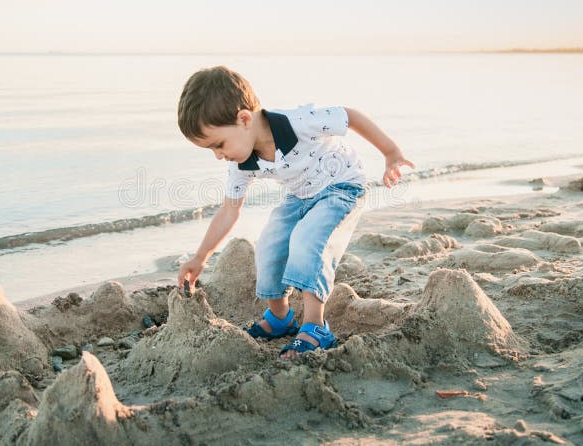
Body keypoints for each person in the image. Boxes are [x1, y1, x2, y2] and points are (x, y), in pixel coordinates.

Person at [176, 66, 414, 359]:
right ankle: (280, 318)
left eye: (219, 144)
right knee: (269, 245)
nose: (218, 155)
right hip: (300, 196)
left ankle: (316, 326)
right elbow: (229, 210)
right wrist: (200, 257)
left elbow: (349, 116)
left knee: (307, 239)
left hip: (342, 186)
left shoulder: (299, 122)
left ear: (244, 118)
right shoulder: (241, 164)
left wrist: (390, 152)